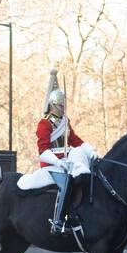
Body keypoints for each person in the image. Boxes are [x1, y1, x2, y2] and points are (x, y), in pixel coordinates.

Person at [36, 68, 97, 234]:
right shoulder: (45, 124)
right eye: (61, 105)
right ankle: (58, 221)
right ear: (53, 105)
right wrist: (57, 161)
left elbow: (75, 140)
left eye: (64, 105)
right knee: (67, 183)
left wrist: (89, 150)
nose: (63, 108)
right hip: (52, 164)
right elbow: (43, 149)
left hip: (67, 161)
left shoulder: (65, 121)